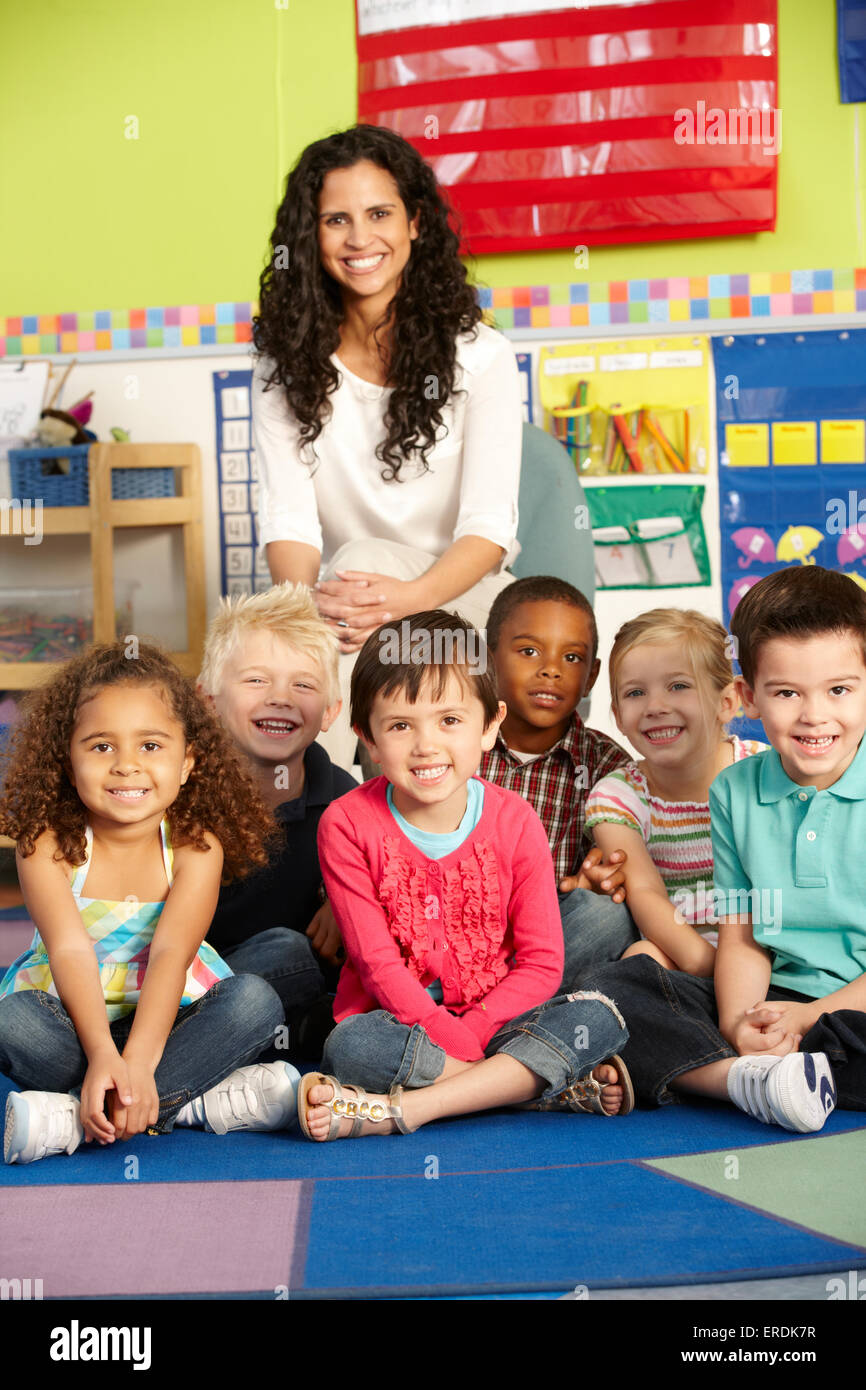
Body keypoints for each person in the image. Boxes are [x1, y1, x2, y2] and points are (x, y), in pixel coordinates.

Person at [298, 610, 633, 1142]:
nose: (426, 745)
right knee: (351, 1047)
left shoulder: (515, 819)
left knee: (599, 1018)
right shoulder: (346, 822)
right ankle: (529, 1089)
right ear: (368, 737)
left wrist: (472, 1030)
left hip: (500, 1020)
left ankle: (406, 1110)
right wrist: (448, 1035)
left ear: (489, 725)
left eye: (449, 720)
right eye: (401, 725)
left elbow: (544, 963)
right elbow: (378, 967)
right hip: (400, 1027)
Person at [252, 124, 522, 769]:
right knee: (263, 649)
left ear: (416, 224)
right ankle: (298, 818)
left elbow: (488, 532)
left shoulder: (481, 356)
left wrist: (406, 598)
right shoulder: (282, 362)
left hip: (466, 605)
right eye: (335, 220)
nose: (359, 238)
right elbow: (288, 520)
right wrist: (309, 611)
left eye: (379, 214)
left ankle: (327, 812)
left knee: (361, 561)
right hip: (346, 608)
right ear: (310, 238)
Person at [582, 567, 866, 1133]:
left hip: (851, 1006)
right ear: (750, 697)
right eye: (787, 692)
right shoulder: (734, 791)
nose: (814, 715)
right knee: (619, 991)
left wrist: (812, 1015)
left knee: (844, 1034)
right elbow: (741, 934)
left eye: (839, 690)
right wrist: (740, 1020)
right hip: (777, 992)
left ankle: (762, 1067)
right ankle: (747, 1074)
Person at [0, 643, 299, 1165]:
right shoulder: (46, 845)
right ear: (69, 764)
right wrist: (100, 1054)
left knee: (254, 1002)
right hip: (72, 1020)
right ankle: (192, 1100)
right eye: (100, 747)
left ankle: (74, 1116)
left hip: (169, 1020)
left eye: (151, 747)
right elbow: (70, 950)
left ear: (187, 763)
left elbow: (169, 956)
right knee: (12, 1023)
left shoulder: (195, 846)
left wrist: (136, 1060)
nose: (127, 766)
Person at [197, 584, 357, 1054]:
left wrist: (349, 898)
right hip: (180, 978)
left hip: (280, 978)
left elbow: (400, 871)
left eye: (303, 685)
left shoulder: (346, 804)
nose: (281, 698)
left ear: (329, 713)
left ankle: (228, 1050)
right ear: (207, 702)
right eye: (256, 680)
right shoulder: (175, 790)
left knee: (294, 955)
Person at [585, 609, 764, 976]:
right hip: (687, 958)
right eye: (635, 693)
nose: (655, 707)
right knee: (641, 958)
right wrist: (715, 971)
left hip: (768, 952)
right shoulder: (619, 795)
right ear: (617, 715)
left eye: (679, 686)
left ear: (726, 702)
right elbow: (646, 895)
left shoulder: (766, 771)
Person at [480, 576, 640, 984]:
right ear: (486, 658)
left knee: (607, 916)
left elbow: (615, 874)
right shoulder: (454, 740)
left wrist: (599, 882)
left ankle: (501, 1010)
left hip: (544, 945)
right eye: (529, 651)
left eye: (572, 658)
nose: (551, 670)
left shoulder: (609, 767)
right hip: (451, 929)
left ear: (591, 676)